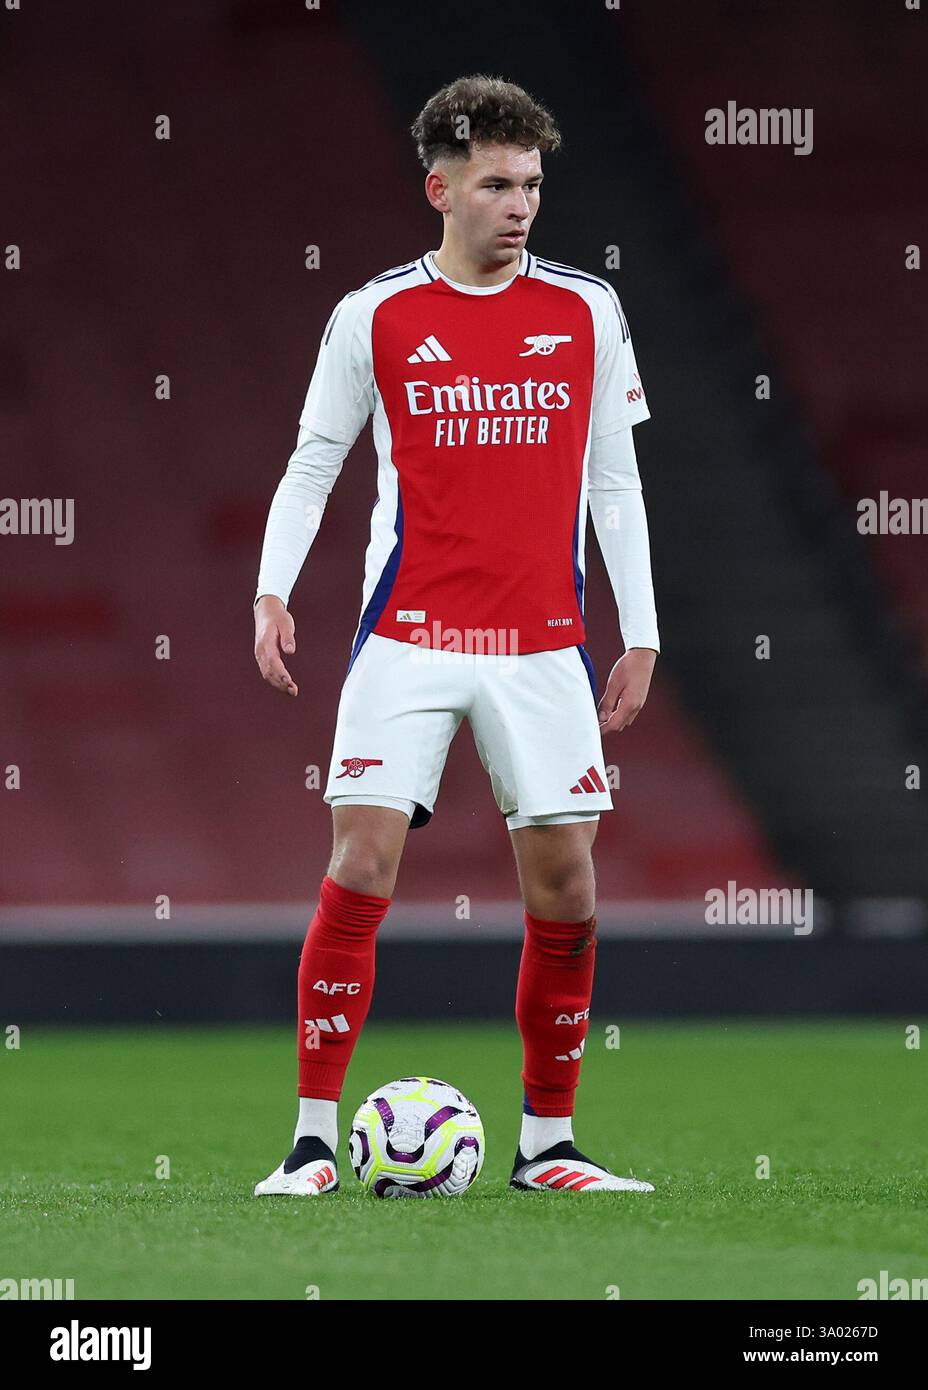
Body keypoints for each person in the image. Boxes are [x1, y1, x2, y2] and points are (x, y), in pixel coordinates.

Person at [253, 75, 658, 1195]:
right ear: (440, 188)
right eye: (495, 183)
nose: (519, 204)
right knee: (361, 859)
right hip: (410, 634)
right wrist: (270, 590)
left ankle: (548, 1147)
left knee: (566, 888)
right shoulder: (373, 313)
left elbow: (613, 480)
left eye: (530, 184)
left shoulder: (587, 310)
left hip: (545, 642)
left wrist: (642, 631)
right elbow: (312, 463)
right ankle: (309, 1143)